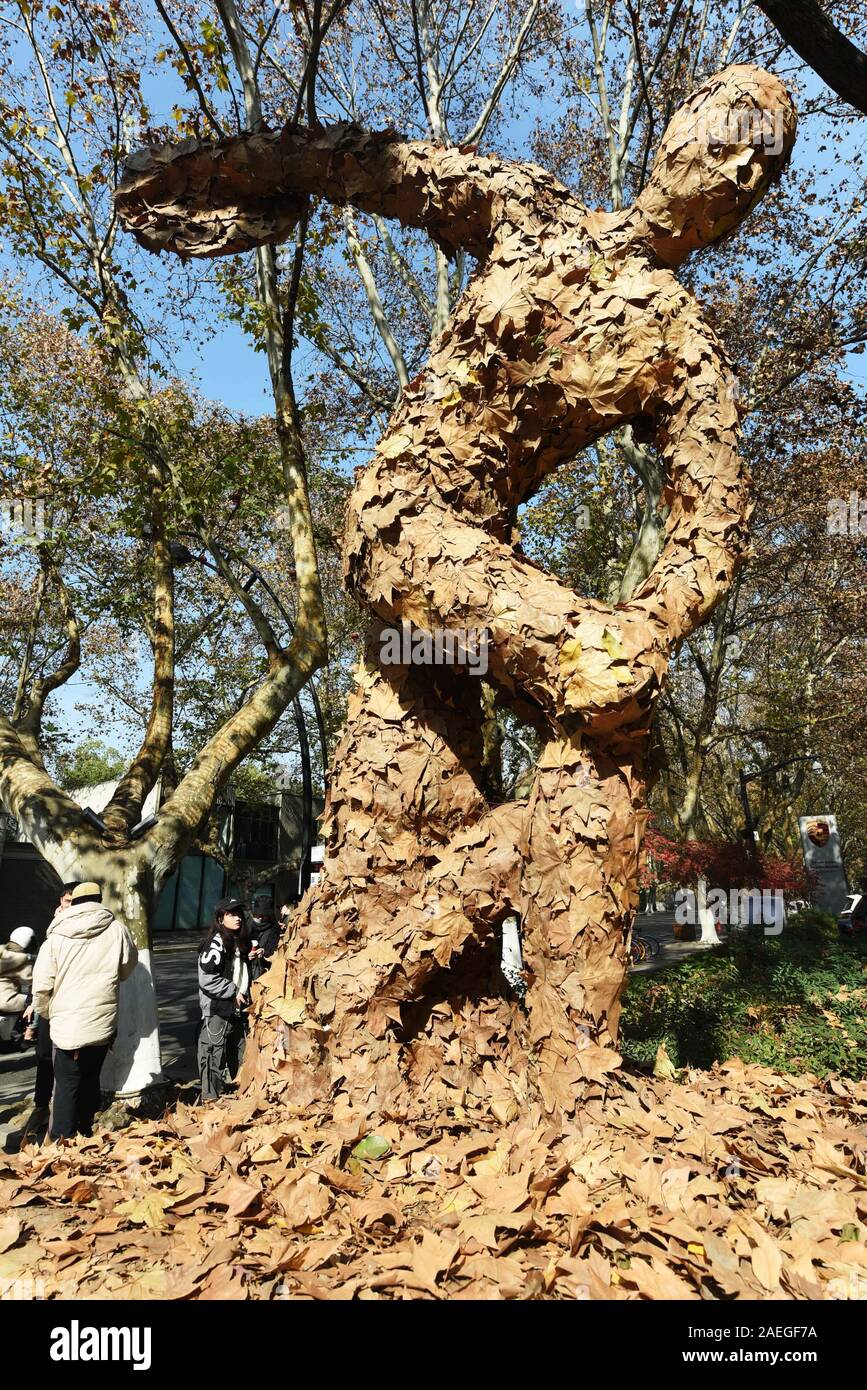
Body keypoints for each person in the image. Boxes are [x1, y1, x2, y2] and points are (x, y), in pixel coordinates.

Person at [32, 881, 138, 1140]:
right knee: (91, 1078)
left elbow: (41, 986)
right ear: (100, 900)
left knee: (67, 1085)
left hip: (66, 1026)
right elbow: (126, 968)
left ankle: (62, 1141)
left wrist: (48, 1014)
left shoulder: (55, 936)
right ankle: (85, 1130)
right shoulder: (117, 930)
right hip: (101, 1023)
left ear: (74, 902)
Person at [22, 882, 79, 1133]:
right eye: (66, 901)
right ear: (60, 902)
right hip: (49, 1003)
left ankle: (65, 1115)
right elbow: (43, 970)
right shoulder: (52, 929)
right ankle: (41, 1106)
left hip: (73, 1005)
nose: (69, 907)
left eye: (73, 902)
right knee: (44, 1056)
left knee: (69, 1061)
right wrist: (32, 1002)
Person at [198, 898, 251, 1101]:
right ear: (220, 918)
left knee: (240, 1053)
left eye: (239, 914)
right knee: (212, 1055)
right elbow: (207, 979)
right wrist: (232, 991)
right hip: (218, 1010)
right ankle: (210, 1099)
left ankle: (240, 1095)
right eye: (231, 914)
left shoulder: (239, 940)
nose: (238, 918)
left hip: (238, 1010)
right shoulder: (216, 942)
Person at [0, 927, 36, 1051]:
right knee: (35, 1002)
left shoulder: (2, 952)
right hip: (6, 999)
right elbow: (33, 980)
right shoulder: (21, 959)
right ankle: (27, 1036)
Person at [248, 894, 281, 982]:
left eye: (264, 914)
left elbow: (275, 948)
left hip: (264, 970)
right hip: (246, 967)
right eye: (258, 914)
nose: (260, 917)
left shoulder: (274, 927)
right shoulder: (247, 924)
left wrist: (264, 951)